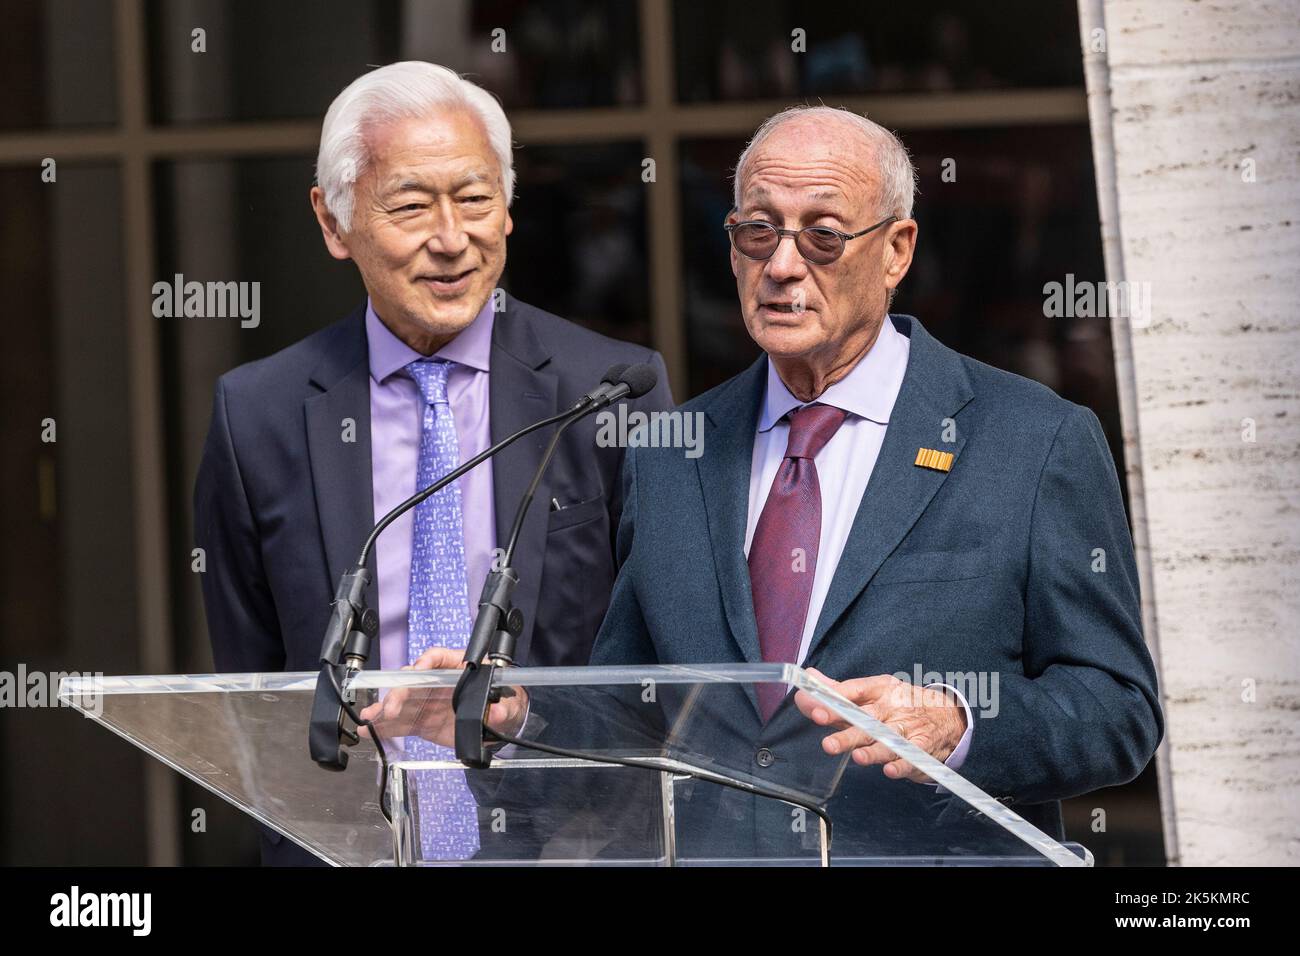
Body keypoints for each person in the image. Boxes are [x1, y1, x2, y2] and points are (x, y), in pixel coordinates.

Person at [368, 105, 1163, 860]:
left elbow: (1119, 711)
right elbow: (641, 709)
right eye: (757, 230)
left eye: (822, 236)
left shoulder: (1033, 440)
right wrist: (520, 715)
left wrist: (959, 722)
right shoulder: (670, 453)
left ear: (897, 249)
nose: (781, 265)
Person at [194, 61, 672, 865]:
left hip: (569, 847)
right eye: (411, 205)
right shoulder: (259, 415)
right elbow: (258, 696)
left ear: (510, 209)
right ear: (334, 221)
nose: (451, 240)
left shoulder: (611, 391)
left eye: (476, 199)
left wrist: (527, 724)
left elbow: (664, 671)